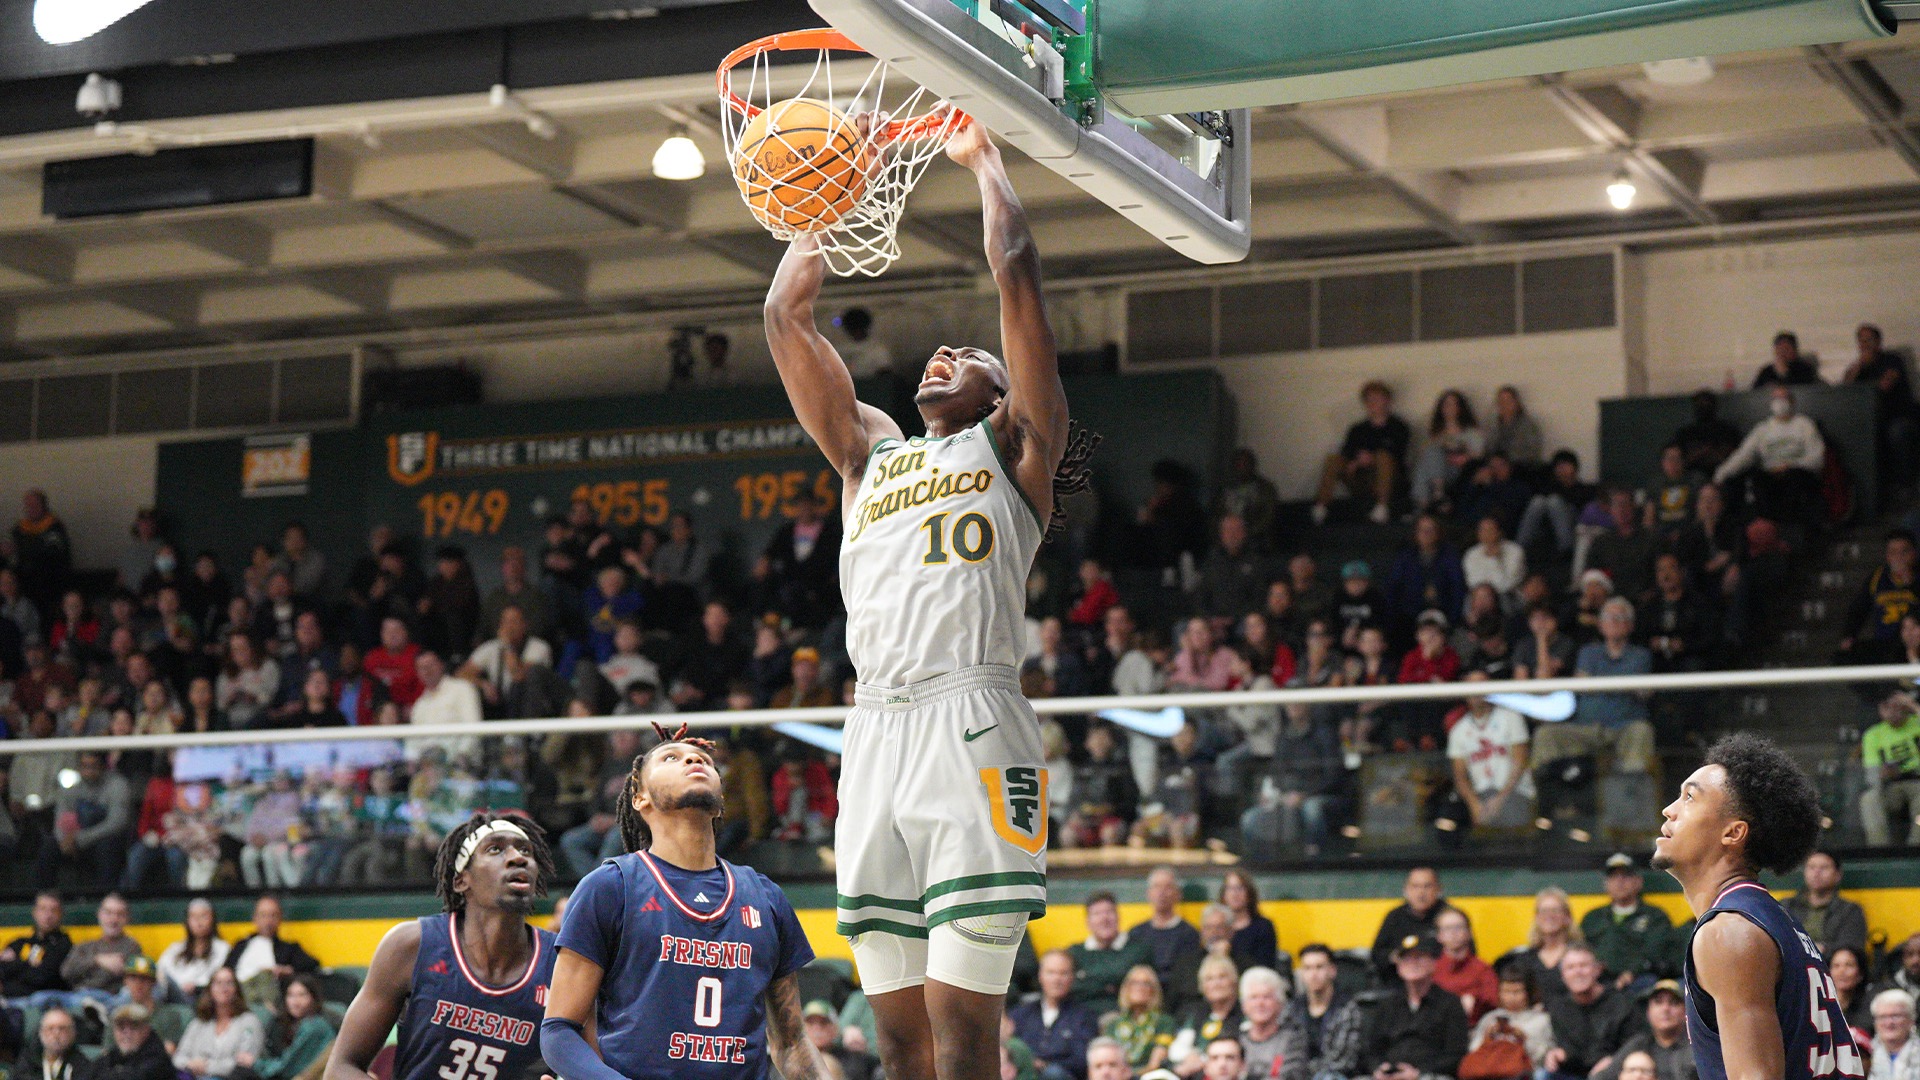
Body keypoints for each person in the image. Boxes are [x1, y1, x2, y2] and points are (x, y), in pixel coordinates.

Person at [766, 117, 1088, 1080]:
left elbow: (1018, 269)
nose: (947, 352)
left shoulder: (1016, 449)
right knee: (897, 1035)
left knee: (961, 1028)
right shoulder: (869, 452)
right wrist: (823, 196)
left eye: (970, 356)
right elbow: (786, 318)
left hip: (972, 721)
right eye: (941, 351)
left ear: (1001, 394)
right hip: (875, 731)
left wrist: (985, 162)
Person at [541, 724, 822, 1080]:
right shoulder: (610, 887)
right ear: (639, 797)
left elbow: (793, 1042)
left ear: (720, 803)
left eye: (705, 759)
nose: (692, 758)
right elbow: (558, 1031)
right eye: (670, 758)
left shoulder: (765, 896)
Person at [1652, 732, 1864, 1080]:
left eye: (1689, 797)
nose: (1669, 810)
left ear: (1733, 833)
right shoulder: (1773, 919)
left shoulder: (1730, 932)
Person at [326, 812, 557, 1080]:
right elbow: (341, 1068)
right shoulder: (412, 946)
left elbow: (600, 1063)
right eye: (495, 849)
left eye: (526, 850)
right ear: (461, 880)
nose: (518, 857)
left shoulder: (561, 962)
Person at [1357, 936, 1468, 1080]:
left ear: (1434, 963)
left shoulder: (1450, 1003)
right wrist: (1378, 1068)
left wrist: (1418, 1072)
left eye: (1419, 957)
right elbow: (1370, 1050)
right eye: (1406, 959)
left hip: (1428, 1074)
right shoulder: (1387, 1004)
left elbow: (1456, 1055)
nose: (1412, 964)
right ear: (1398, 966)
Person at [1713, 386, 1825, 528]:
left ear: (1791, 401)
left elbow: (1817, 458)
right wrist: (1720, 475)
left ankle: (1792, 529)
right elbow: (1743, 456)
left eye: (1783, 398)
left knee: (1795, 480)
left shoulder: (1804, 424)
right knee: (1755, 479)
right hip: (1769, 477)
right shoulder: (1762, 429)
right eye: (1776, 399)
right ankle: (1766, 528)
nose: (1779, 402)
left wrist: (1791, 466)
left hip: (1797, 475)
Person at [1313, 380, 1411, 526]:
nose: (1372, 403)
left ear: (1387, 401)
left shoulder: (1399, 427)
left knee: (1383, 456)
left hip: (1388, 479)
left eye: (1377, 399)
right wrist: (1357, 461)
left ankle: (1382, 507)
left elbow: (1397, 454)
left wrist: (1372, 458)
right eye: (1369, 400)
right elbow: (1346, 452)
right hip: (1361, 478)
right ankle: (1321, 507)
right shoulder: (1357, 429)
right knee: (1333, 459)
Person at [1446, 675, 1534, 833]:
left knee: (1509, 819)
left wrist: (1500, 799)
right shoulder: (1458, 730)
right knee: (1450, 820)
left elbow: (1520, 762)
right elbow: (1460, 776)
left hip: (1515, 792)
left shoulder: (1510, 717)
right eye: (1472, 686)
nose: (1477, 691)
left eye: (1481, 685)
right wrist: (1474, 804)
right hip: (1481, 796)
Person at [1581, 854, 1675, 992]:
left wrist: (1631, 972)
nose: (1620, 881)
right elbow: (1581, 950)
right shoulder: (1592, 918)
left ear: (1638, 881)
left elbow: (1654, 952)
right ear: (1606, 883)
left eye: (1626, 876)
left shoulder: (1655, 917)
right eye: (1613, 877)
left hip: (1640, 982)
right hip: (1599, 981)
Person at [1542, 946, 1639, 1080]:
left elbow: (1636, 1044)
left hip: (1616, 1072)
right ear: (1563, 976)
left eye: (1584, 966)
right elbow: (1570, 1052)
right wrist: (1556, 1054)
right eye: (1570, 968)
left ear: (1597, 970)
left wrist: (1614, 1060)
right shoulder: (1559, 1008)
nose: (1578, 972)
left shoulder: (1622, 1003)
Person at [1842, 324, 1917, 492]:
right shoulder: (1857, 368)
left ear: (1878, 342)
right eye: (1861, 340)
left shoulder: (1892, 359)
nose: (1864, 344)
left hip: (1898, 416)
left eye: (1868, 340)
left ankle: (1905, 486)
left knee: (1896, 432)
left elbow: (1885, 385)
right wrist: (1857, 369)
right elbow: (1845, 392)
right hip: (1870, 420)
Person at [1009, 950, 1101, 1080]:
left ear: (1072, 977)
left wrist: (1044, 1065)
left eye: (1063, 973)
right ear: (1040, 976)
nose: (1057, 979)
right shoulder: (1020, 1014)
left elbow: (1082, 1060)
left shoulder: (1085, 1016)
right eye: (1051, 973)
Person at [1069, 893, 1154, 1015]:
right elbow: (1071, 989)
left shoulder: (1139, 951)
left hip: (1126, 1019)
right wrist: (1113, 984)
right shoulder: (1074, 953)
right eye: (1097, 914)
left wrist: (1088, 980)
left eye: (1109, 912)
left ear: (1118, 917)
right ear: (1088, 921)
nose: (1104, 919)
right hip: (1082, 1020)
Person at [175, 969, 266, 1080]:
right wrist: (190, 1064)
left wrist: (207, 1066)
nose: (224, 988)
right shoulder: (198, 1023)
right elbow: (178, 1058)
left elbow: (245, 1063)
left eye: (229, 983)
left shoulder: (249, 1022)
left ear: (236, 989)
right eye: (218, 983)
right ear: (210, 989)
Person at [1594, 981, 1696, 1080]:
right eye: (1658, 1002)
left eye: (1673, 1003)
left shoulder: (1696, 1047)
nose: (1665, 1009)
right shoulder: (1639, 1044)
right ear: (1648, 1011)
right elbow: (1600, 1077)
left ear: (1685, 1011)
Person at [237, 975, 332, 1080]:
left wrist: (255, 1063)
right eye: (290, 995)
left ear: (313, 998)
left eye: (302, 995)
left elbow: (286, 1068)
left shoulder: (314, 1026)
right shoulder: (287, 1023)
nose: (295, 1002)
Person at [1840, 533, 1919, 659]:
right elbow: (1858, 608)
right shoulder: (1878, 577)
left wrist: (1909, 582)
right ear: (1887, 556)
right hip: (1884, 643)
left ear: (1914, 553)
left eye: (1904, 552)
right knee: (1846, 655)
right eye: (1893, 552)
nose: (1899, 557)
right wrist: (1849, 635)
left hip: (1912, 643)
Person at [1858, 689, 1920, 847]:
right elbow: (1871, 775)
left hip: (1917, 782)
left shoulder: (1916, 723)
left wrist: (1914, 707)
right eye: (1887, 707)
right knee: (1869, 799)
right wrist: (1882, 775)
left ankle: (1915, 847)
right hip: (1891, 785)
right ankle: (1879, 849)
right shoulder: (1873, 734)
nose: (1892, 712)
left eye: (1897, 706)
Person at [1369, 868, 1455, 982]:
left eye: (1427, 886)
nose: (1421, 893)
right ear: (1406, 890)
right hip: (1400, 985)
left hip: (1443, 982)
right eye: (1415, 887)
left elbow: (1467, 955)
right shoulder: (1394, 917)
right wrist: (1396, 958)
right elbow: (1377, 955)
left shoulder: (1451, 917)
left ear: (1438, 890)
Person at [1290, 945, 1361, 1080]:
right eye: (1307, 968)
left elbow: (1342, 1061)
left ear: (1332, 971)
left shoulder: (1347, 1008)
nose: (1313, 974)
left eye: (1319, 967)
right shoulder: (1292, 1009)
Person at [1131, 869, 1204, 1000]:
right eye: (1157, 887)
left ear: (1178, 894)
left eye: (1168, 887)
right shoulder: (1136, 933)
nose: (1162, 893)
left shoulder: (1189, 934)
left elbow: (1187, 976)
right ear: (1149, 893)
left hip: (1177, 1000)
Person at [1469, 967, 1555, 1076]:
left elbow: (1543, 1056)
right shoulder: (1490, 1018)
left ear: (1529, 992)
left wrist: (1522, 1038)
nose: (1511, 997)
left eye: (1517, 991)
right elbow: (1474, 1050)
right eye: (1506, 991)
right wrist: (1488, 1037)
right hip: (1490, 1071)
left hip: (1526, 1073)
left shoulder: (1542, 1021)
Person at [224, 896, 319, 994]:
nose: (268, 921)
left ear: (280, 919)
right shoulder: (241, 945)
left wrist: (287, 970)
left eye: (273, 915)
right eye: (263, 915)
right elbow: (226, 969)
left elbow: (312, 965)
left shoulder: (288, 949)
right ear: (254, 918)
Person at [1168, 956, 1243, 1079]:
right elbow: (1176, 1050)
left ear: (1234, 981)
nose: (1216, 984)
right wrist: (1188, 1059)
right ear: (1202, 986)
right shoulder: (1197, 1013)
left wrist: (1203, 1061)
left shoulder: (1245, 1013)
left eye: (1222, 977)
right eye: (1209, 979)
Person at [1785, 851, 1870, 958]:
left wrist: (1822, 950)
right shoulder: (1786, 906)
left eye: (1824, 868)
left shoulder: (1850, 911)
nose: (1816, 873)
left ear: (1838, 875)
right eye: (1811, 867)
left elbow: (1852, 947)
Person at [1502, 888, 1582, 999]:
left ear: (1567, 917)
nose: (1549, 915)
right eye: (1544, 911)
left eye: (1555, 910)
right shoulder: (1524, 960)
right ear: (1536, 918)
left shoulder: (1580, 958)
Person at [1413, 390, 1484, 514]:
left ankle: (1425, 505)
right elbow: (1424, 455)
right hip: (1436, 471)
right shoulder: (1435, 433)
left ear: (1460, 408)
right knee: (1427, 459)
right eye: (1446, 405)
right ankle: (1435, 498)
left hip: (1458, 469)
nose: (1449, 409)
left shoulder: (1471, 433)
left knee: (1432, 452)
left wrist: (1459, 456)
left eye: (1453, 404)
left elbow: (1478, 455)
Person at [0, 889, 73, 1002]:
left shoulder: (64, 945)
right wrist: (29, 963)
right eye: (43, 909)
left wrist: (15, 964)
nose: (48, 915)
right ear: (34, 912)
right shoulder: (19, 943)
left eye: (53, 910)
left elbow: (42, 979)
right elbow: (2, 970)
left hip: (43, 1001)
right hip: (10, 998)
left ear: (61, 915)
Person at [1101, 965, 1174, 1075]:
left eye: (1146, 983)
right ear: (1126, 988)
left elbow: (1155, 1064)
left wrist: (1129, 1076)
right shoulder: (1113, 1025)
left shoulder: (1164, 1022)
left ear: (1154, 990)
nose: (1140, 987)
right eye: (1134, 983)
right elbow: (1106, 1061)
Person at [1235, 965, 1302, 1080]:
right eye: (1253, 997)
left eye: (1267, 997)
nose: (1260, 1004)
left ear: (1279, 1004)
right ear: (1244, 1006)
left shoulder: (1292, 1040)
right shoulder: (1236, 1041)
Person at [1433, 909, 1497, 1025]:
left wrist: (1475, 1002)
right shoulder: (1431, 969)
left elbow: (1493, 1002)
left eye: (1458, 927)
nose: (1453, 933)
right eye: (1447, 928)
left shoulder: (1483, 969)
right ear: (1439, 936)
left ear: (1469, 933)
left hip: (1474, 1030)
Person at [1219, 871, 1279, 978]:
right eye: (1229, 888)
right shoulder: (1216, 927)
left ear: (1249, 894)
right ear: (1223, 895)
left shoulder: (1263, 927)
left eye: (1240, 888)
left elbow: (1265, 968)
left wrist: (1230, 952)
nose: (1234, 894)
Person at [804, 1000, 881, 1080]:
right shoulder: (794, 1061)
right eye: (810, 1023)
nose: (817, 1028)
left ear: (835, 1028)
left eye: (824, 1022)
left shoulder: (854, 1061)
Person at [97, 1003, 176, 1080]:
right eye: (121, 1027)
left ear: (146, 1029)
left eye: (134, 1026)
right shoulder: (117, 1053)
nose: (127, 1033)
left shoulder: (157, 1058)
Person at [17, 1006, 89, 1080]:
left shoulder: (82, 1065)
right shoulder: (27, 1061)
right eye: (50, 1028)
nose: (56, 1034)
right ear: (41, 1033)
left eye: (62, 1028)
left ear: (73, 1033)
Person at [1866, 990, 1919, 1080]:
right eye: (1882, 1017)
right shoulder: (1866, 1053)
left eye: (1896, 1016)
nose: (1889, 1022)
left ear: (1911, 1020)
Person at [1753, 332, 1821, 387]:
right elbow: (1754, 393)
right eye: (1779, 349)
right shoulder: (1766, 372)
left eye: (1786, 349)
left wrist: (1783, 374)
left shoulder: (1805, 369)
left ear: (1794, 350)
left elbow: (1806, 391)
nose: (1782, 353)